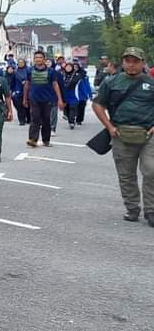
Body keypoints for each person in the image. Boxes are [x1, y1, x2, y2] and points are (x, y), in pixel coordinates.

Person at [91, 47, 154, 226]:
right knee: (126, 175)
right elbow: (97, 105)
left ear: (142, 63)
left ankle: (151, 210)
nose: (131, 65)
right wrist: (109, 127)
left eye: (135, 61)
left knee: (151, 171)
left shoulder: (151, 82)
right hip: (121, 134)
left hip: (148, 135)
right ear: (123, 62)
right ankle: (132, 208)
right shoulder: (111, 82)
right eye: (128, 61)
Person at [23, 50, 65, 147]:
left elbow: (55, 85)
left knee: (46, 119)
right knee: (35, 118)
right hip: (34, 99)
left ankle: (46, 140)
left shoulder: (51, 71)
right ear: (34, 59)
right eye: (36, 58)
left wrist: (60, 99)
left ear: (44, 59)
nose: (38, 59)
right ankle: (33, 139)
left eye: (40, 57)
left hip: (47, 99)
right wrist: (25, 98)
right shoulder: (30, 71)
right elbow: (27, 84)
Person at [61, 62, 85, 130]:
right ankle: (70, 120)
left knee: (73, 107)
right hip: (65, 95)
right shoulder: (62, 75)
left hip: (74, 94)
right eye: (67, 67)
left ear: (72, 68)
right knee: (67, 108)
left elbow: (81, 86)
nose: (68, 68)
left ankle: (72, 121)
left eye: (70, 67)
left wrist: (84, 95)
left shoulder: (77, 76)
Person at [13, 59, 31, 125]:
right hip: (18, 90)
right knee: (19, 106)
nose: (20, 63)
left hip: (28, 90)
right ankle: (21, 120)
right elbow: (13, 82)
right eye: (19, 62)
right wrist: (13, 90)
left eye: (22, 62)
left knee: (28, 106)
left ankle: (29, 119)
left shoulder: (28, 70)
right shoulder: (15, 71)